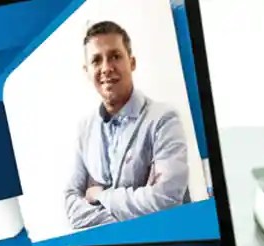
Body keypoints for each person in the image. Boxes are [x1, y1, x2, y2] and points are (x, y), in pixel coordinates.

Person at [64, 20, 191, 229]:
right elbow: (73, 211)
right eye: (97, 60)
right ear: (87, 71)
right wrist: (136, 210)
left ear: (132, 62)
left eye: (115, 56)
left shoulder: (164, 119)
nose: (106, 68)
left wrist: (101, 195)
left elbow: (166, 201)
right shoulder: (84, 130)